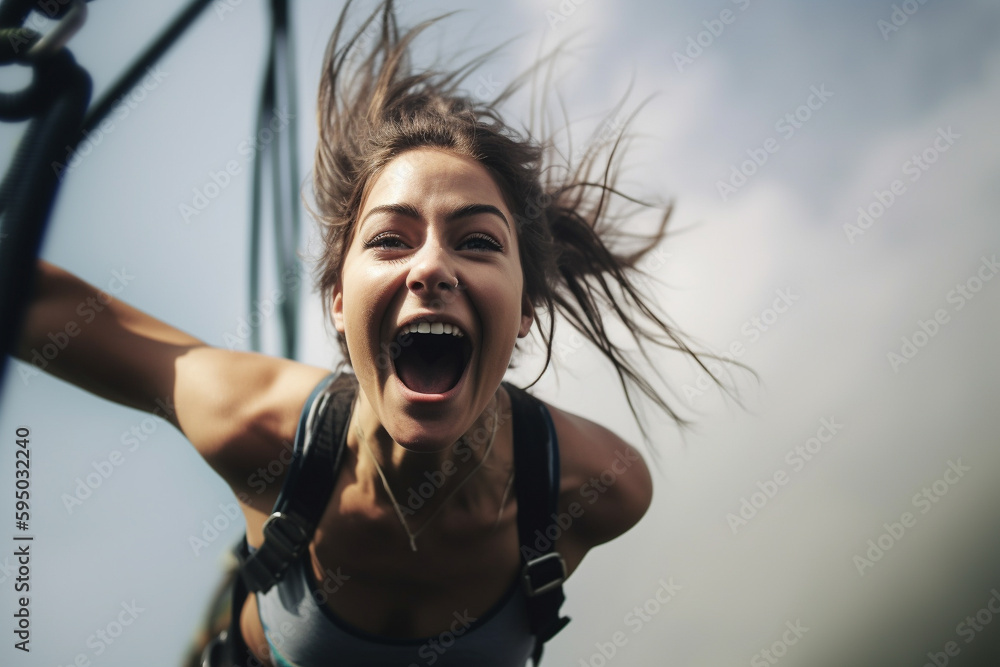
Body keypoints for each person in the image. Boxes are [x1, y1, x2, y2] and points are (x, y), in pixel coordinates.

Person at [14, 2, 723, 665]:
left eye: (477, 242)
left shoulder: (594, 486)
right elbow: (30, 297)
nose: (432, 266)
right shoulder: (254, 424)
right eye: (390, 239)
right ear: (336, 300)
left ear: (527, 312)